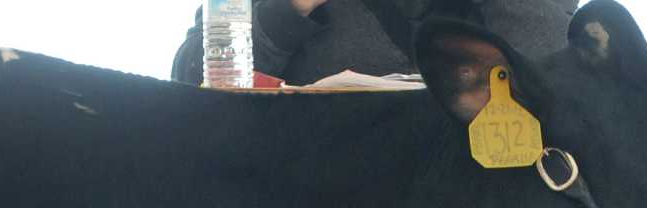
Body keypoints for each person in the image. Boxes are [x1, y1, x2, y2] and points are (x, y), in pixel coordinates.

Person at [173, 1, 572, 88]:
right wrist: (288, 8)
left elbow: (553, 80)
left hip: (455, 191)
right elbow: (194, 82)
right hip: (303, 193)